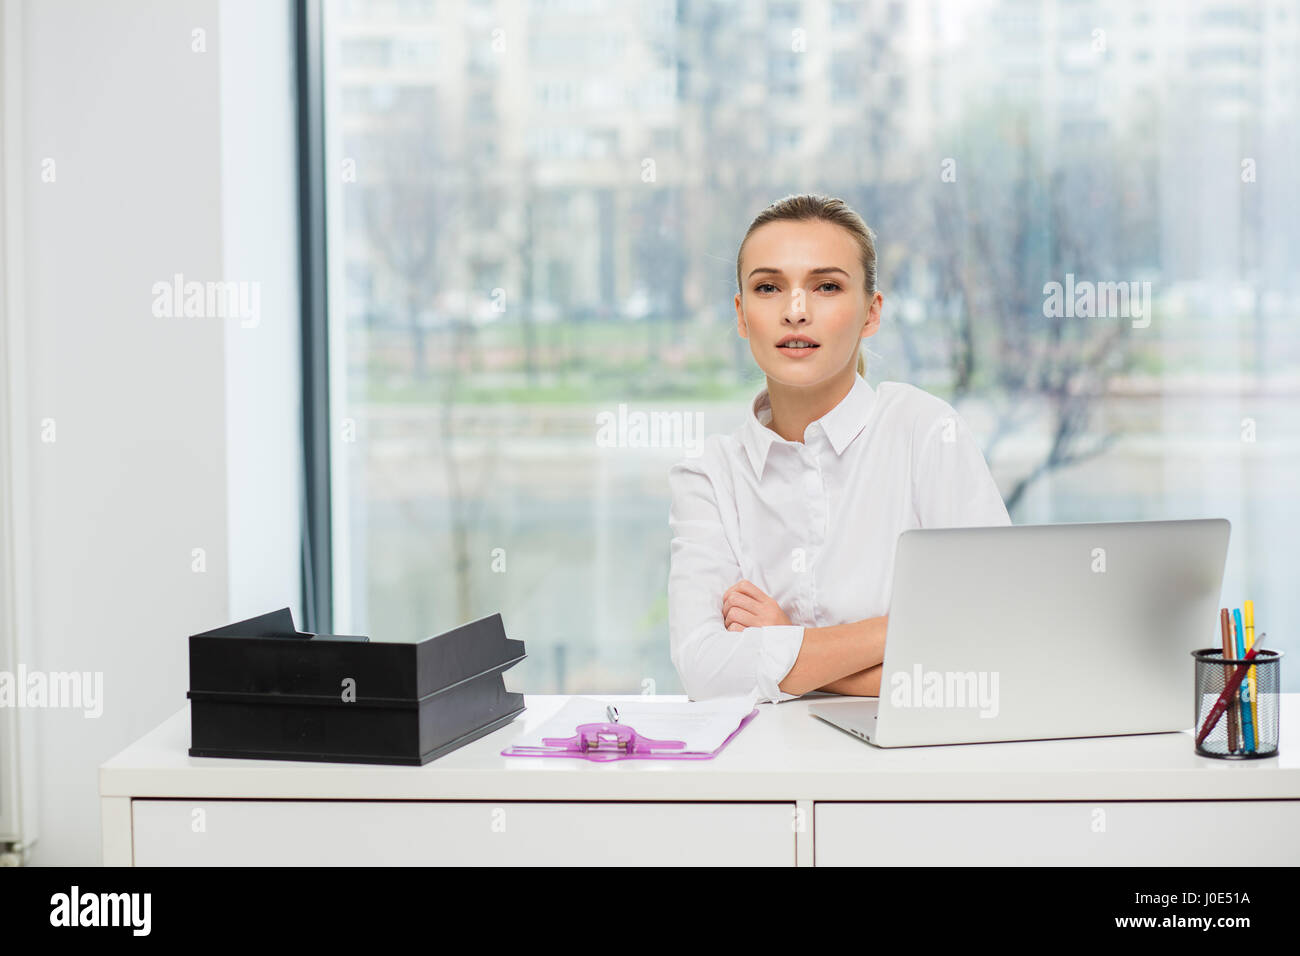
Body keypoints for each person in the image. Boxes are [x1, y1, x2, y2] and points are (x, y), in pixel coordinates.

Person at [667, 193, 1010, 703]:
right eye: (768, 287)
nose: (795, 312)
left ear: (871, 313)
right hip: (764, 778)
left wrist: (787, 644)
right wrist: (904, 629)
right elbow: (705, 672)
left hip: (913, 777)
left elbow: (994, 652)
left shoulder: (925, 432)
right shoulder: (710, 475)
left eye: (826, 286)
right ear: (741, 316)